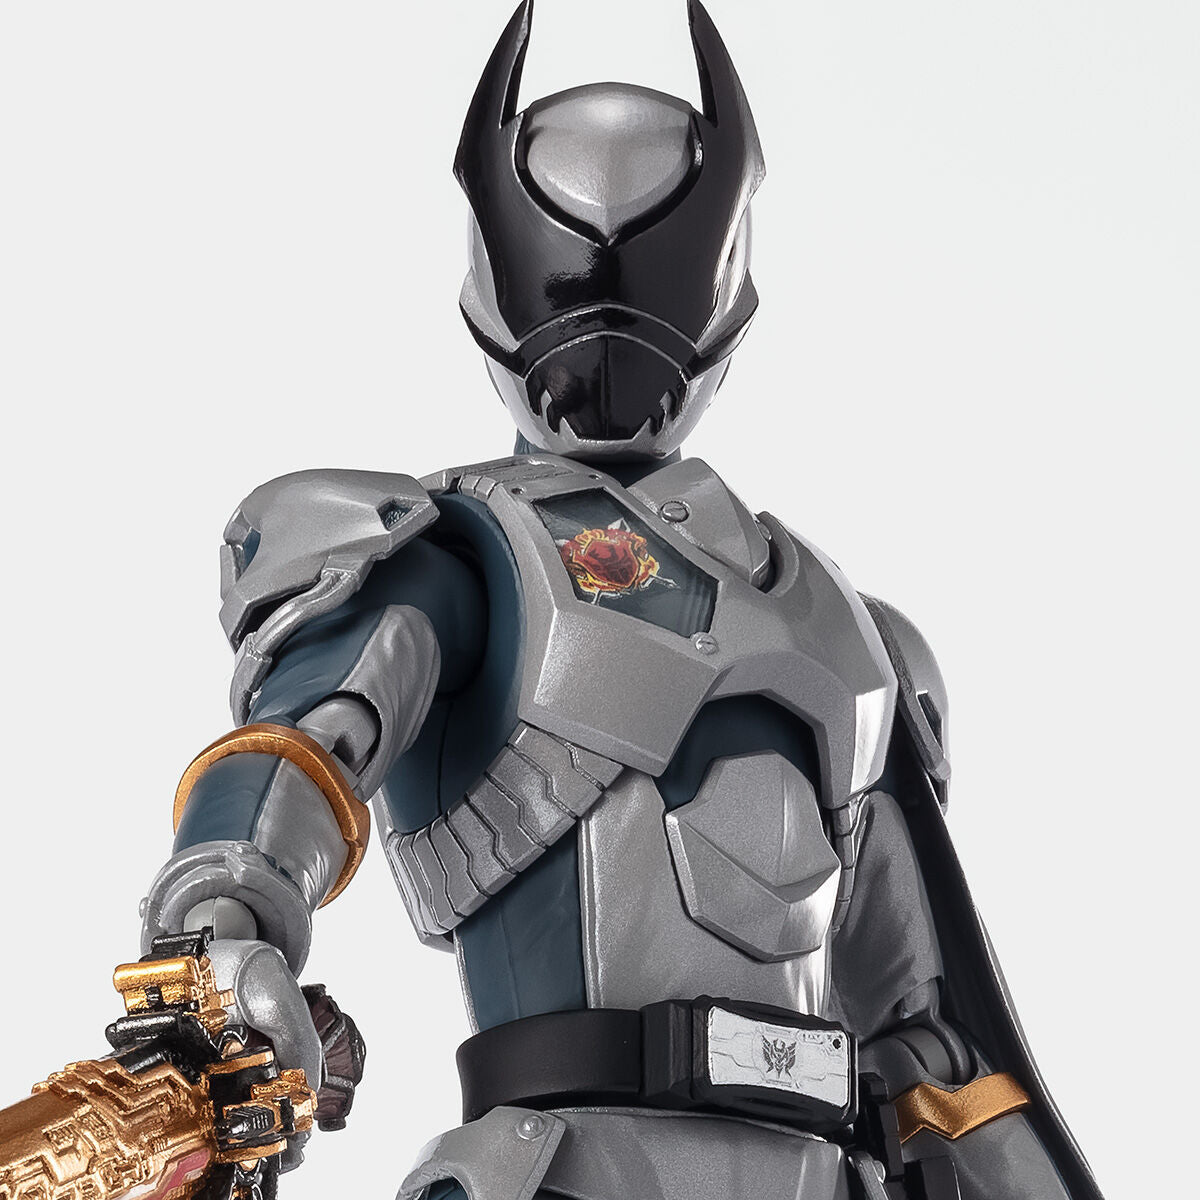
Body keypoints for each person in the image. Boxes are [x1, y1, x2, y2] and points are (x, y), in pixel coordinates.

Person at [143, 4, 1102, 1197]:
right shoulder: (450, 554)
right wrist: (220, 932)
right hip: (563, 1172)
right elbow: (303, 753)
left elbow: (930, 1040)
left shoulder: (856, 645)